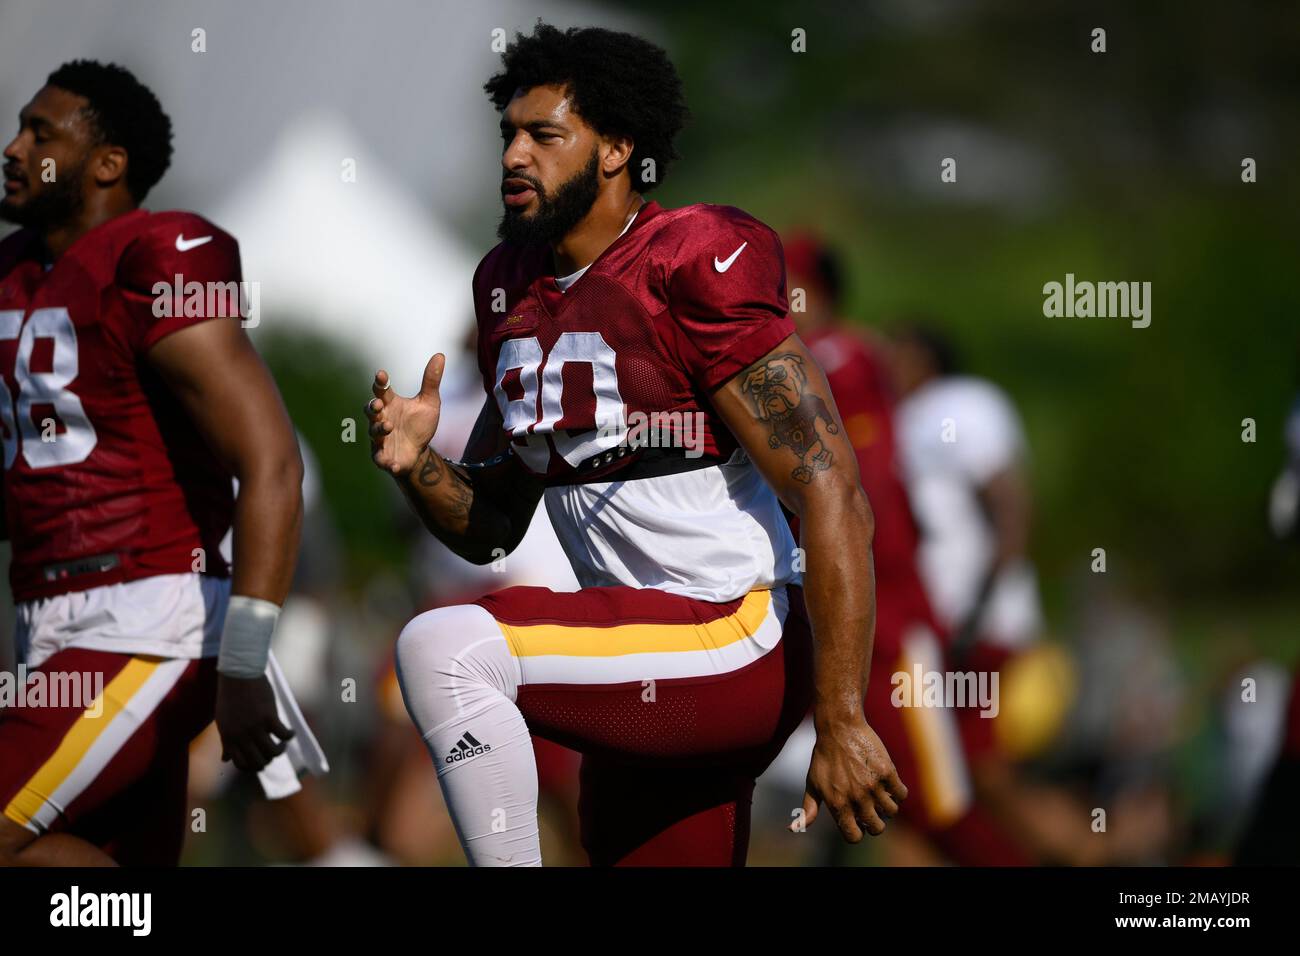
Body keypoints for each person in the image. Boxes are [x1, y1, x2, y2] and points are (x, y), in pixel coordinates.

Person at [366, 23, 905, 866]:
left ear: (616, 149)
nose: (514, 155)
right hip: (641, 652)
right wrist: (417, 465)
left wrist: (842, 716)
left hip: (736, 630)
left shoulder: (690, 261)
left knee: (442, 647)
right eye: (508, 133)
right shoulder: (507, 287)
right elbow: (493, 525)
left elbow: (830, 488)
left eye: (544, 135)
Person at [0, 60, 303, 865]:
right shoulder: (13, 276)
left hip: (149, 620)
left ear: (108, 163)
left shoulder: (159, 254)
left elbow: (270, 460)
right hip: (47, 619)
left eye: (41, 133)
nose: (13, 148)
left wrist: (242, 664)